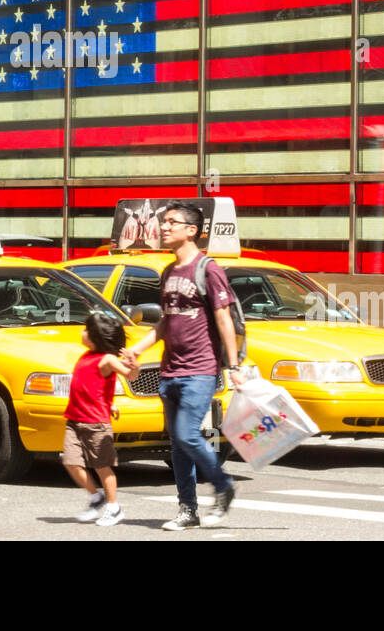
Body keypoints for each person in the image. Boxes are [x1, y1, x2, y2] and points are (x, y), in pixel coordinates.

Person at [122, 202, 241, 531]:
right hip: (169, 370)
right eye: (163, 222)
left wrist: (233, 365)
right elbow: (164, 323)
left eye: (172, 222)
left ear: (192, 230)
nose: (164, 227)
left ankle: (223, 484)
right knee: (177, 444)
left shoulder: (208, 269)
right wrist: (136, 349)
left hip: (200, 369)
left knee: (188, 436)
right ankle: (188, 510)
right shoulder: (169, 272)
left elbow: (223, 318)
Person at [64, 312, 138, 527]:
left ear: (96, 336)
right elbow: (96, 386)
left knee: (102, 467)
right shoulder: (86, 355)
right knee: (70, 461)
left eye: (86, 330)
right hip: (74, 420)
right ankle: (96, 497)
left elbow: (129, 375)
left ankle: (114, 508)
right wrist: (110, 401)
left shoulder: (107, 359)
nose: (82, 332)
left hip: (96, 424)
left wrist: (133, 364)